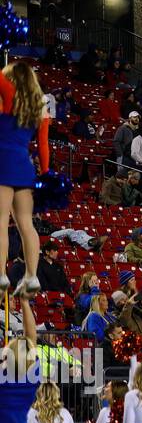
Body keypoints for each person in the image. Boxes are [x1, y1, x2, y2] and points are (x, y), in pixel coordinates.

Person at [0, 60, 49, 297]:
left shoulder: (8, 98)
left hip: (2, 161)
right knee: (26, 225)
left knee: (0, 221)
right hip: (24, 166)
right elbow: (43, 147)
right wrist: (47, 174)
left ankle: (1, 274)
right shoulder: (39, 108)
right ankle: (32, 276)